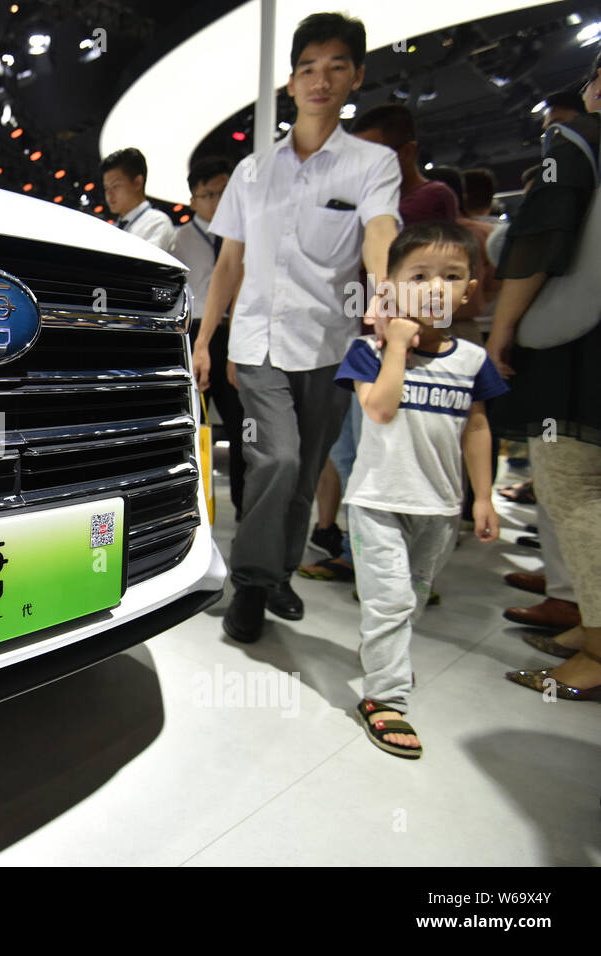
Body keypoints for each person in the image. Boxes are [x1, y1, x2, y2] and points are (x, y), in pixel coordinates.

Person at [193, 11, 402, 644]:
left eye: (337, 66)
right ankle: (253, 585)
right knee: (275, 459)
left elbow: (378, 229)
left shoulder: (371, 163)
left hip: (329, 347)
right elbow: (229, 260)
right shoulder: (253, 173)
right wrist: (205, 341)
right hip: (257, 344)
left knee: (305, 473)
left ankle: (281, 570)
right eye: (309, 68)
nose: (321, 79)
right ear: (290, 82)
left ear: (356, 76)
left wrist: (384, 284)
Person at [336, 220, 507, 757]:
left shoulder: (472, 361)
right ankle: (385, 699)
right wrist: (397, 346)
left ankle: (387, 662)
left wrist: (481, 496)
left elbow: (476, 428)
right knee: (389, 601)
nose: (436, 288)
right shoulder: (368, 351)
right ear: (390, 285)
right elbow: (380, 409)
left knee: (409, 601)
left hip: (438, 506)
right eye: (420, 275)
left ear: (469, 290)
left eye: (451, 276)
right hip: (377, 501)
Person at [301, 104, 459, 583]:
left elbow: (442, 276)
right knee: (350, 453)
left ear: (405, 150)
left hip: (409, 347)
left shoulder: (430, 199)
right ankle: (362, 553)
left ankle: (405, 565)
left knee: (401, 458)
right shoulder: (361, 195)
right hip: (363, 341)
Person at [488, 52, 601, 702]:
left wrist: (504, 330)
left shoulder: (577, 141)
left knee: (578, 492)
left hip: (584, 345)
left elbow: (540, 238)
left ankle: (594, 652)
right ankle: (586, 627)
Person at [168, 156, 248, 519]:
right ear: (193, 200)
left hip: (235, 331)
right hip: (196, 332)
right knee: (192, 420)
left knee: (241, 423)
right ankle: (191, 505)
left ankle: (245, 503)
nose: (218, 201)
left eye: (223, 192)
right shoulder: (178, 240)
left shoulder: (245, 235)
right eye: (209, 194)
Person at [99, 147, 172, 247]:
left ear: (137, 183)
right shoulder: (114, 227)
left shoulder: (157, 223)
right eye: (106, 188)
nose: (109, 194)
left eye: (115, 186)